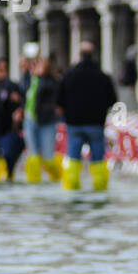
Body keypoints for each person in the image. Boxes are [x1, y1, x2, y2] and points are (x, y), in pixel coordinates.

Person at [57, 40, 117, 191]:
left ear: (79, 55)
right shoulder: (103, 77)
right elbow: (113, 100)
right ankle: (100, 187)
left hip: (74, 124)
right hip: (96, 123)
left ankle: (71, 187)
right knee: (98, 159)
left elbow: (59, 100)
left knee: (73, 157)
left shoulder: (69, 75)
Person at [22, 55, 63, 183]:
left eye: (38, 65)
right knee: (32, 153)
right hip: (30, 118)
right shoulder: (30, 80)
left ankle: (57, 177)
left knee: (48, 155)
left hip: (46, 120)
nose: (34, 68)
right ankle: (33, 180)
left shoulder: (50, 81)